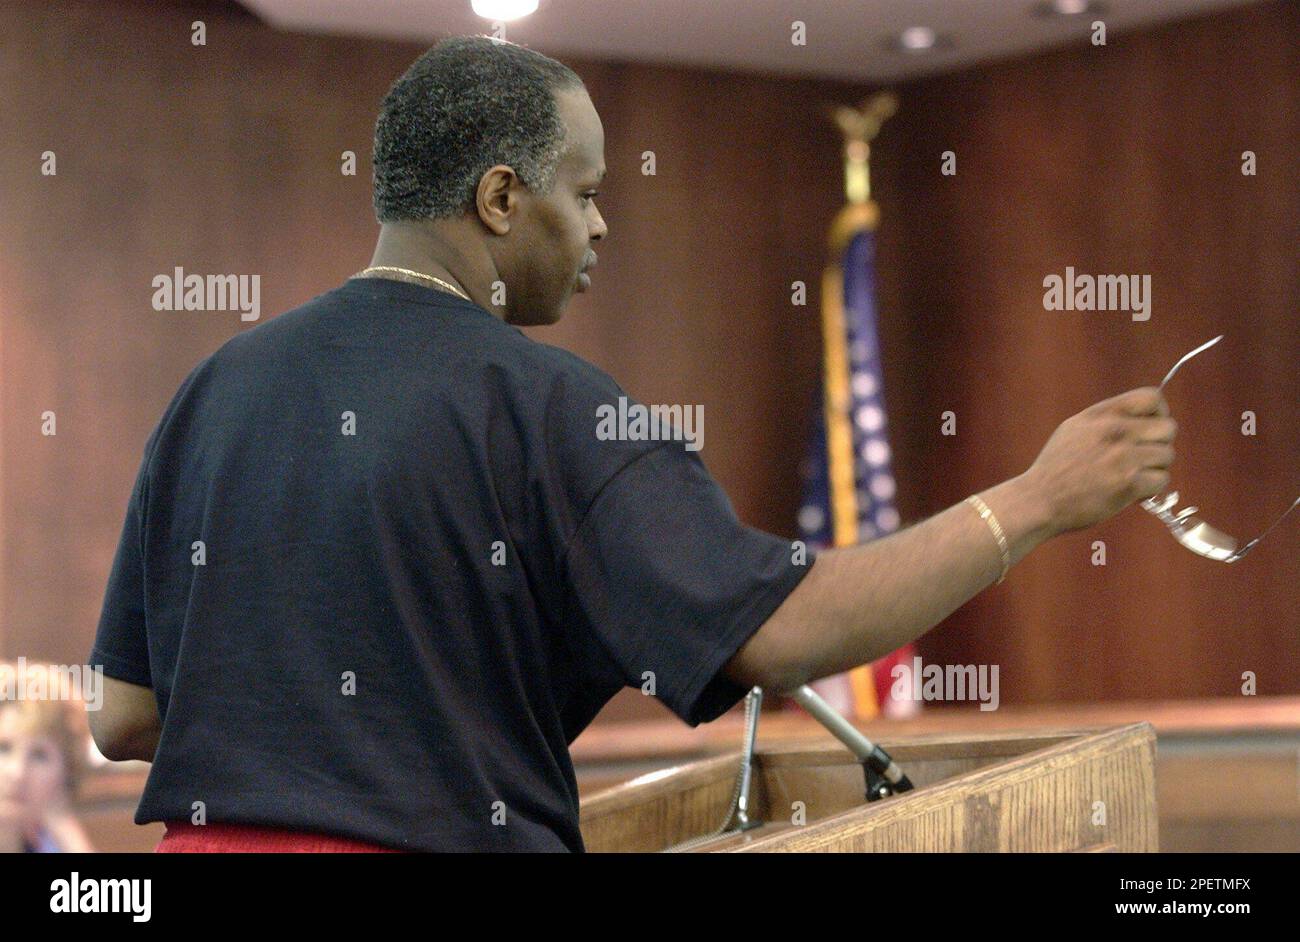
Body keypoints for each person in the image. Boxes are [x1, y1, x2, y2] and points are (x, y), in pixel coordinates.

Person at [88, 36, 1176, 852]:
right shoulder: (546, 405)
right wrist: (1036, 500)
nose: (602, 226)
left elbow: (124, 716)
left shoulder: (215, 388)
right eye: (588, 192)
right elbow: (781, 634)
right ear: (502, 197)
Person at [0, 663, 95, 853]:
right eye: (3, 748)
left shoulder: (50, 843)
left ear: (68, 771)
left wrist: (66, 831)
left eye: (39, 756)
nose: (17, 772)